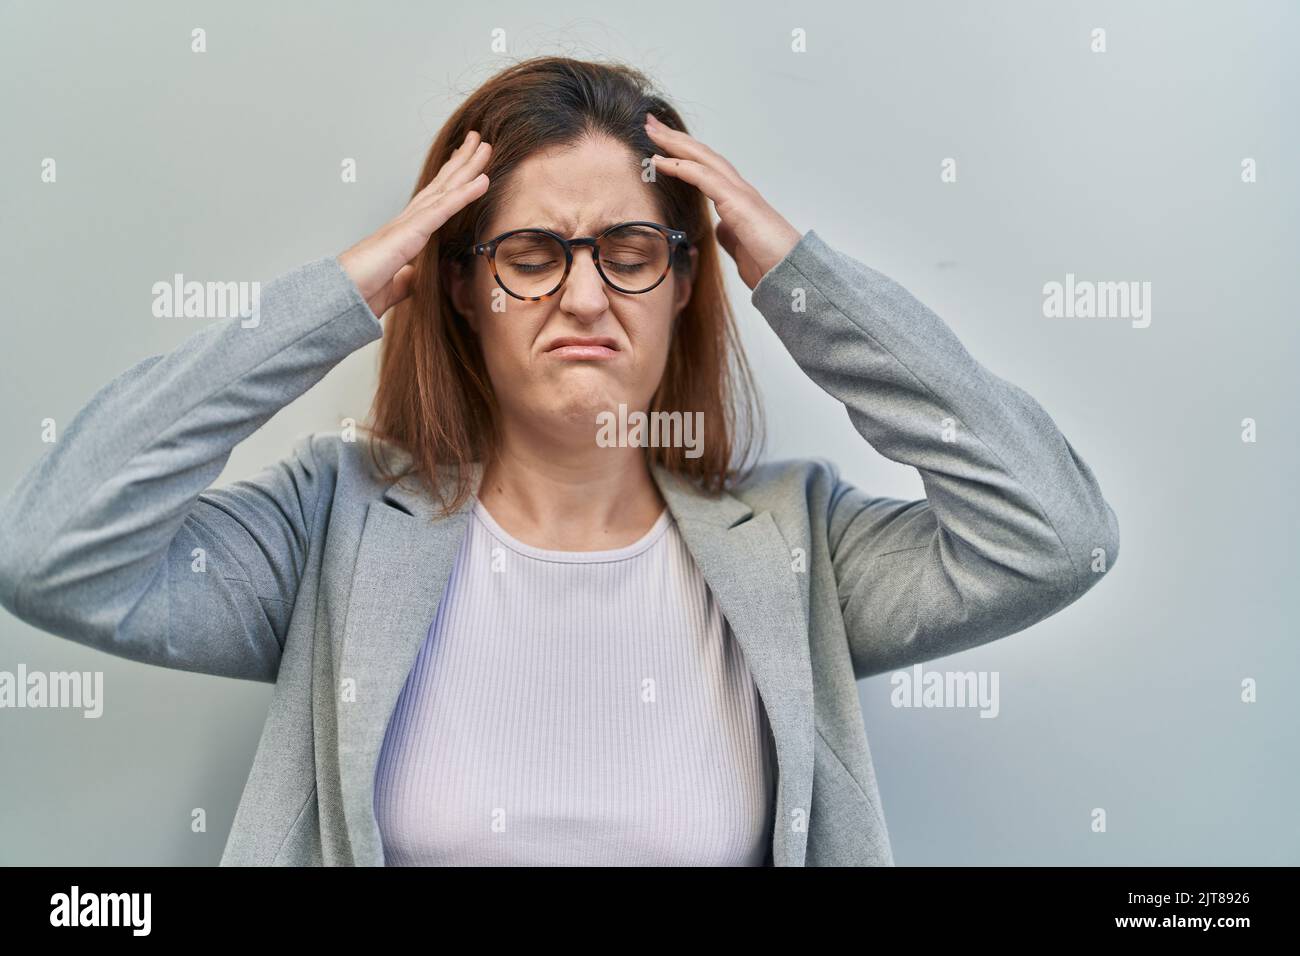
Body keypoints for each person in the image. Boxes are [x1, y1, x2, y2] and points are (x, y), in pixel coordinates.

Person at [0, 56, 1119, 866]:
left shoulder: (797, 548)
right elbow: (51, 553)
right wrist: (342, 296)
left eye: (630, 251)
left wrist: (794, 272)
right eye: (531, 254)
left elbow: (1055, 535)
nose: (585, 295)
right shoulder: (328, 527)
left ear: (685, 279)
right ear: (458, 282)